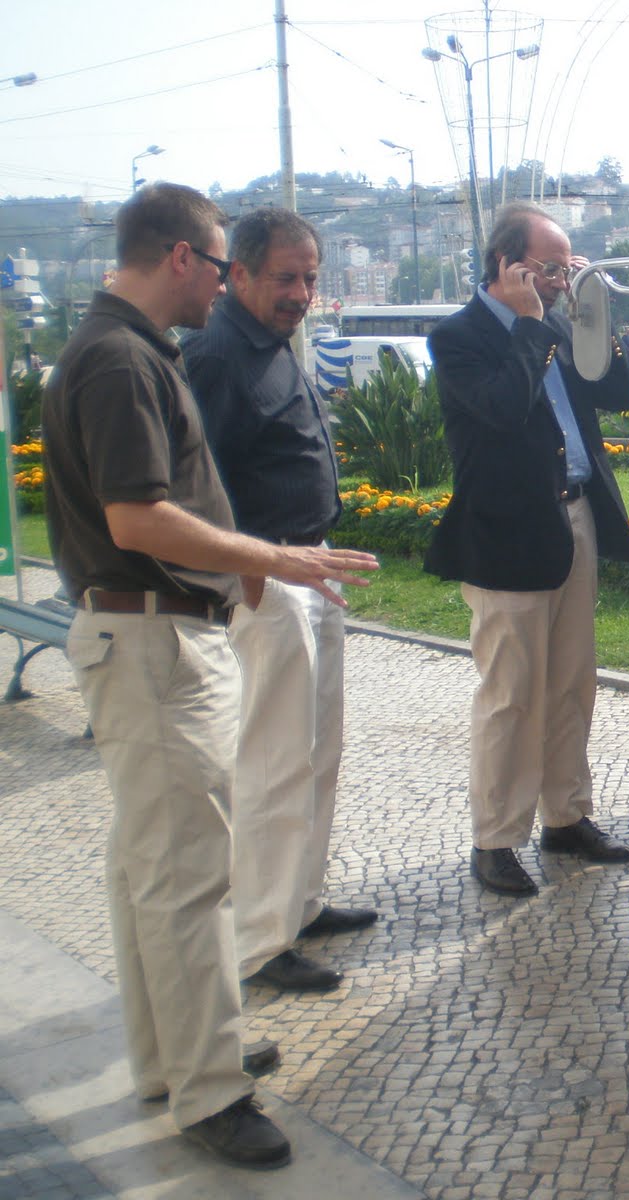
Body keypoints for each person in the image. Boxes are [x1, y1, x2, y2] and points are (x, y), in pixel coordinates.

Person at [41, 182, 378, 1169]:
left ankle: (180, 1057)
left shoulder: (124, 351)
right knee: (189, 879)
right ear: (181, 256)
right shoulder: (117, 360)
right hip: (149, 640)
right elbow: (137, 519)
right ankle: (211, 1089)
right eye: (221, 258)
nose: (226, 279)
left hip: (148, 633)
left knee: (153, 871)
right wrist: (268, 559)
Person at [181, 208, 377, 996]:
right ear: (240, 275)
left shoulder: (271, 342)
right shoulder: (219, 354)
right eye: (287, 278)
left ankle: (300, 901)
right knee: (273, 762)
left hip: (311, 570)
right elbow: (203, 480)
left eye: (311, 278)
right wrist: (252, 573)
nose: (301, 293)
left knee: (317, 752)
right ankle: (263, 942)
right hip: (266, 580)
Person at [425, 202, 629, 898]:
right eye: (549, 267)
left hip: (572, 518)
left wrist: (589, 313)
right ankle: (495, 838)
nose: (556, 279)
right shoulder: (459, 337)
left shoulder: (554, 324)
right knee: (511, 694)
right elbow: (503, 407)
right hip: (507, 534)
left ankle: (566, 815)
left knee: (573, 683)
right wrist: (527, 324)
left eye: (564, 267)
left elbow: (611, 391)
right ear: (506, 264)